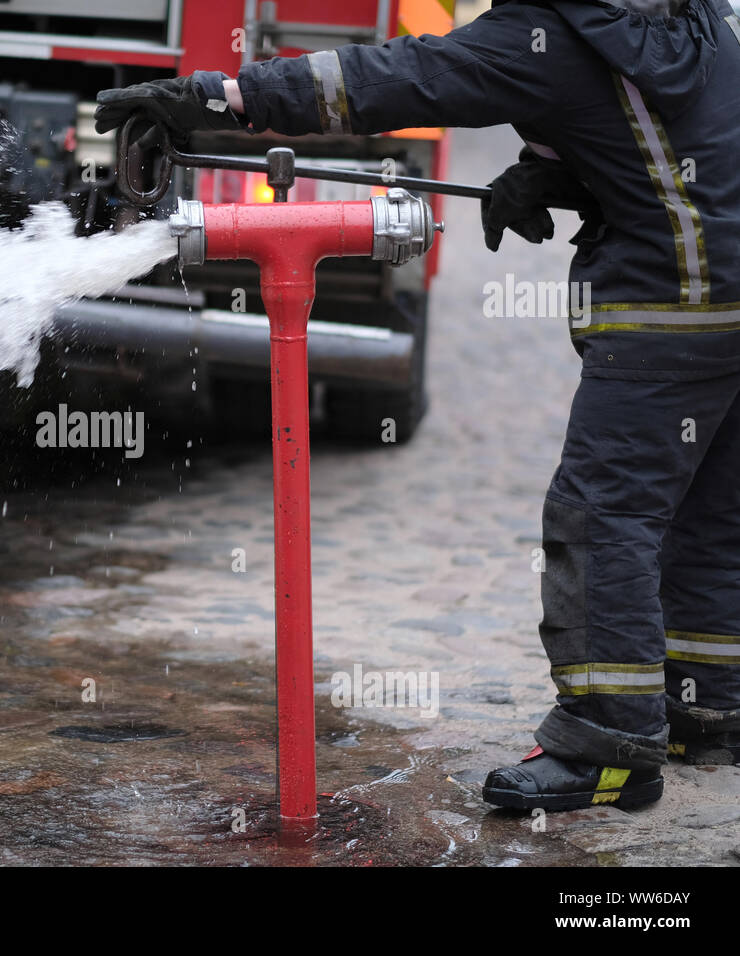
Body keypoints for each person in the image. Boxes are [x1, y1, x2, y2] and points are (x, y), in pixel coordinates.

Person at [95, 0, 740, 811]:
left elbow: (387, 79)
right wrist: (561, 172)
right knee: (706, 505)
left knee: (605, 516)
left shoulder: (548, 33)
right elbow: (684, 137)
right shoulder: (694, 18)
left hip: (674, 310)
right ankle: (704, 705)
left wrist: (223, 97)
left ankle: (609, 746)